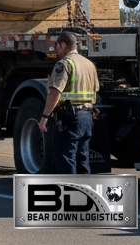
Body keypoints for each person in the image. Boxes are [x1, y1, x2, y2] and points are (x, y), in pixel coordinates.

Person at [39, 30, 99, 173]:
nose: (56, 50)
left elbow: (55, 93)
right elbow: (95, 91)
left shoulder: (65, 64)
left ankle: (70, 192)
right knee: (83, 159)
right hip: (87, 117)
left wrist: (44, 117)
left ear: (63, 44)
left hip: (70, 118)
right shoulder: (89, 64)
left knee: (66, 159)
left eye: (57, 46)